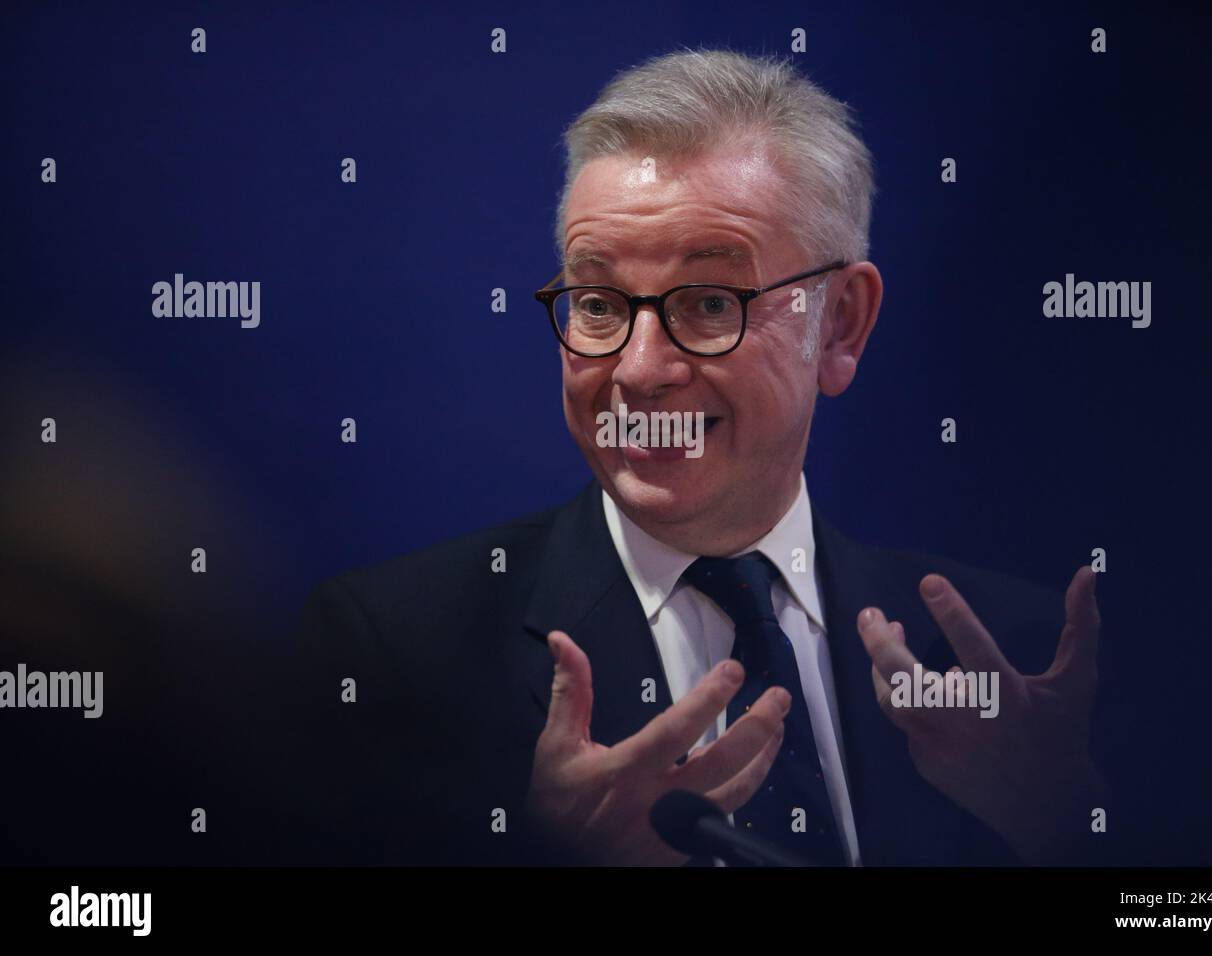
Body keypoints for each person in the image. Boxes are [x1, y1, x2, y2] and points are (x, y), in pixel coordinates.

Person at [297, 48, 1107, 867]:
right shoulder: (392, 658)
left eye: (710, 303)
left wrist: (1060, 832)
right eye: (600, 304)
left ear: (841, 325)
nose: (640, 370)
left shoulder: (1012, 663)